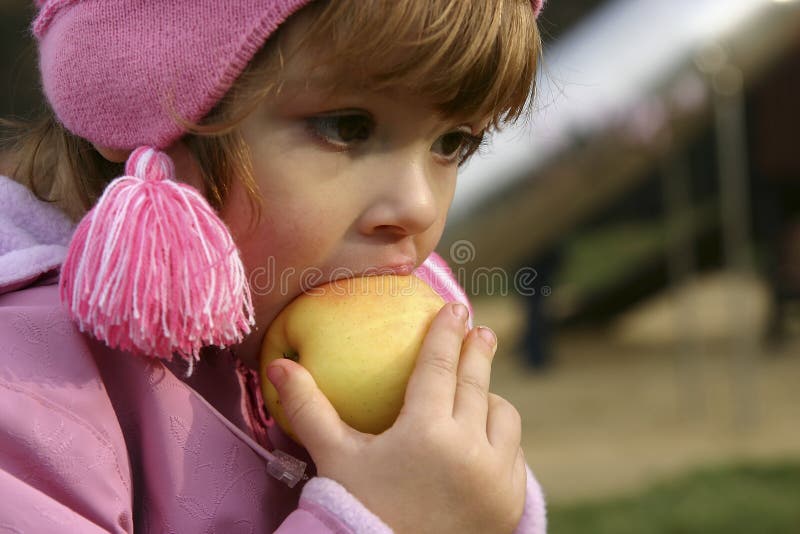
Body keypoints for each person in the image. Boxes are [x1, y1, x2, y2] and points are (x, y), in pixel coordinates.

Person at [0, 1, 547, 532]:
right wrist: (373, 522)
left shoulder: (400, 326)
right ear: (146, 115)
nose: (419, 207)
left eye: (453, 143)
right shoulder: (27, 389)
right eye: (346, 128)